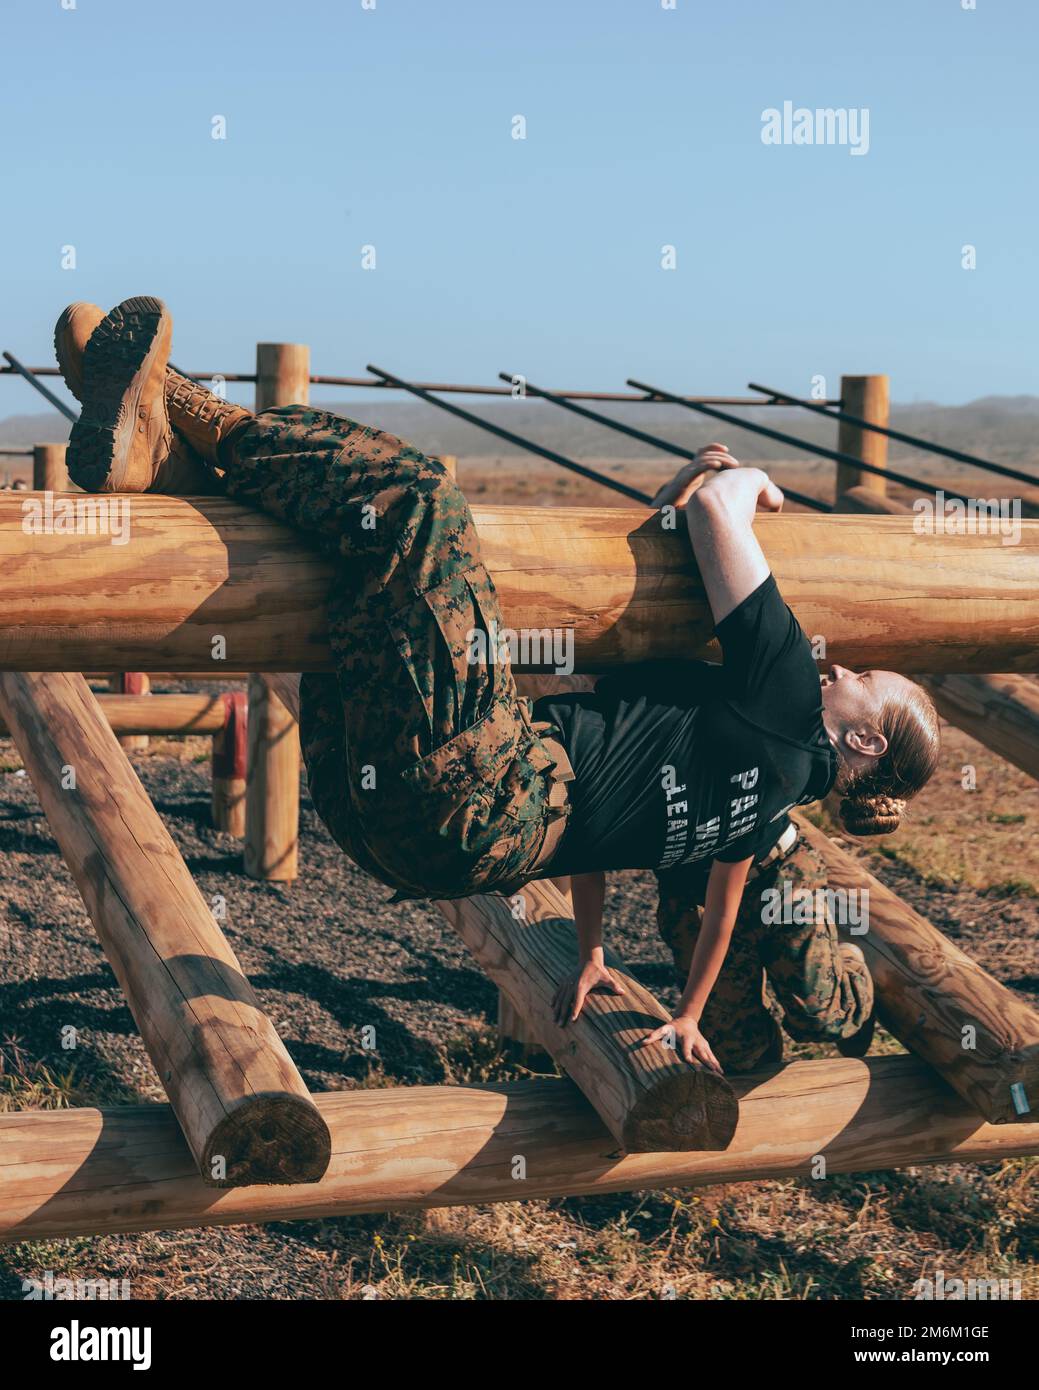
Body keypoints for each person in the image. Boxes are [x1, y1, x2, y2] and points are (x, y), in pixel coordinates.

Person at [55, 296, 941, 1074]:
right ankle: (168, 469)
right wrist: (618, 969)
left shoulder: (786, 701)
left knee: (415, 500)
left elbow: (719, 515)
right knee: (354, 590)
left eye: (865, 681)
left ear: (863, 741)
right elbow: (606, 831)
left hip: (481, 782)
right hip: (405, 842)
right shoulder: (761, 811)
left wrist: (746, 483)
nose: (839, 667)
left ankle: (181, 406)